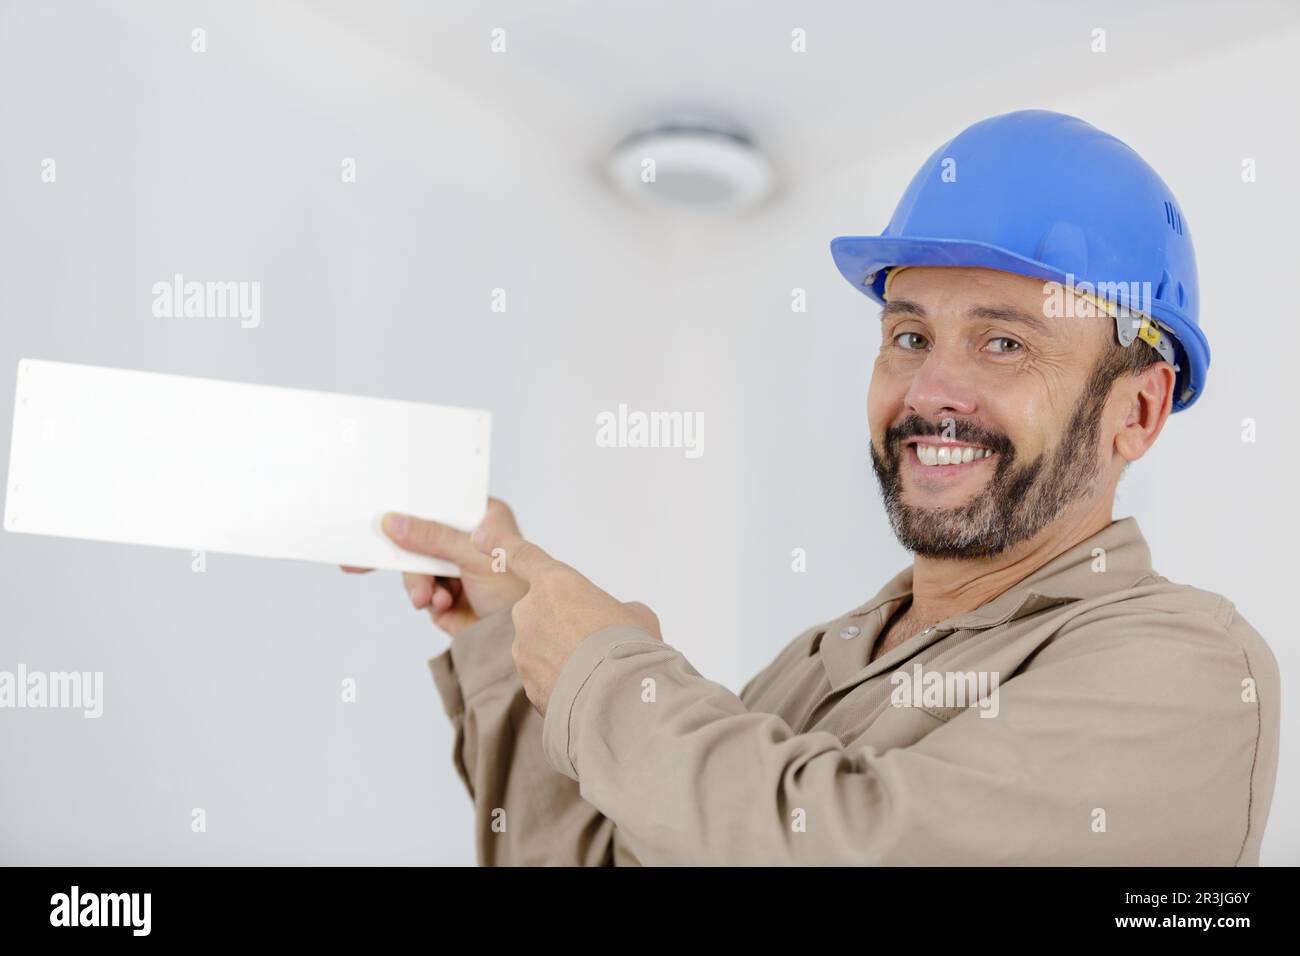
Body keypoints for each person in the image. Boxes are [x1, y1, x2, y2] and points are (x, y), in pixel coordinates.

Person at [347, 111, 1279, 865]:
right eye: (910, 336)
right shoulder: (815, 666)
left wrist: (607, 675)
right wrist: (511, 630)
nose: (929, 393)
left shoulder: (1190, 669)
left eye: (1005, 343)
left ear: (1140, 410)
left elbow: (852, 848)